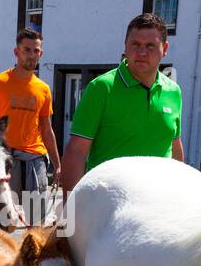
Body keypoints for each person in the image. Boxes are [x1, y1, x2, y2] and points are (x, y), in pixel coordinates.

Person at [60, 13, 184, 194]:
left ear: (164, 48)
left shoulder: (174, 91)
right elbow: (76, 150)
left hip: (159, 200)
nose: (142, 52)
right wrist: (69, 209)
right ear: (125, 46)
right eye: (135, 44)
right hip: (108, 202)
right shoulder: (101, 88)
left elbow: (174, 146)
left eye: (150, 46)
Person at [0, 28, 61, 223]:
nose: (32, 55)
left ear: (40, 53)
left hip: (35, 159)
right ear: (17, 52)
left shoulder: (43, 89)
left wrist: (58, 166)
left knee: (37, 221)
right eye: (27, 50)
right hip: (3, 158)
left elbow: (47, 129)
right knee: (0, 219)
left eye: (36, 51)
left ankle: (33, 253)